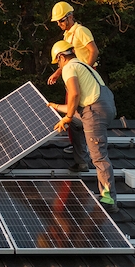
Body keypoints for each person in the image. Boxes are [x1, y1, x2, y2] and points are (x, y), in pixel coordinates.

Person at [46, 40, 118, 213]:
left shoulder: (69, 67)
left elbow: (75, 94)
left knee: (99, 156)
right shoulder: (83, 65)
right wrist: (55, 106)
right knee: (76, 125)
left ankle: (109, 199)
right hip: (100, 106)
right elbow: (75, 105)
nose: (59, 66)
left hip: (94, 112)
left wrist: (68, 117)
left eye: (58, 62)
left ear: (62, 57)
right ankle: (80, 162)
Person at [46, 1, 99, 87]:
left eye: (61, 20)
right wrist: (58, 73)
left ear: (70, 17)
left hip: (87, 73)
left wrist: (86, 71)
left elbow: (94, 51)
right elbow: (67, 60)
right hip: (76, 74)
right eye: (57, 22)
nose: (59, 24)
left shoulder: (80, 30)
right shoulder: (66, 36)